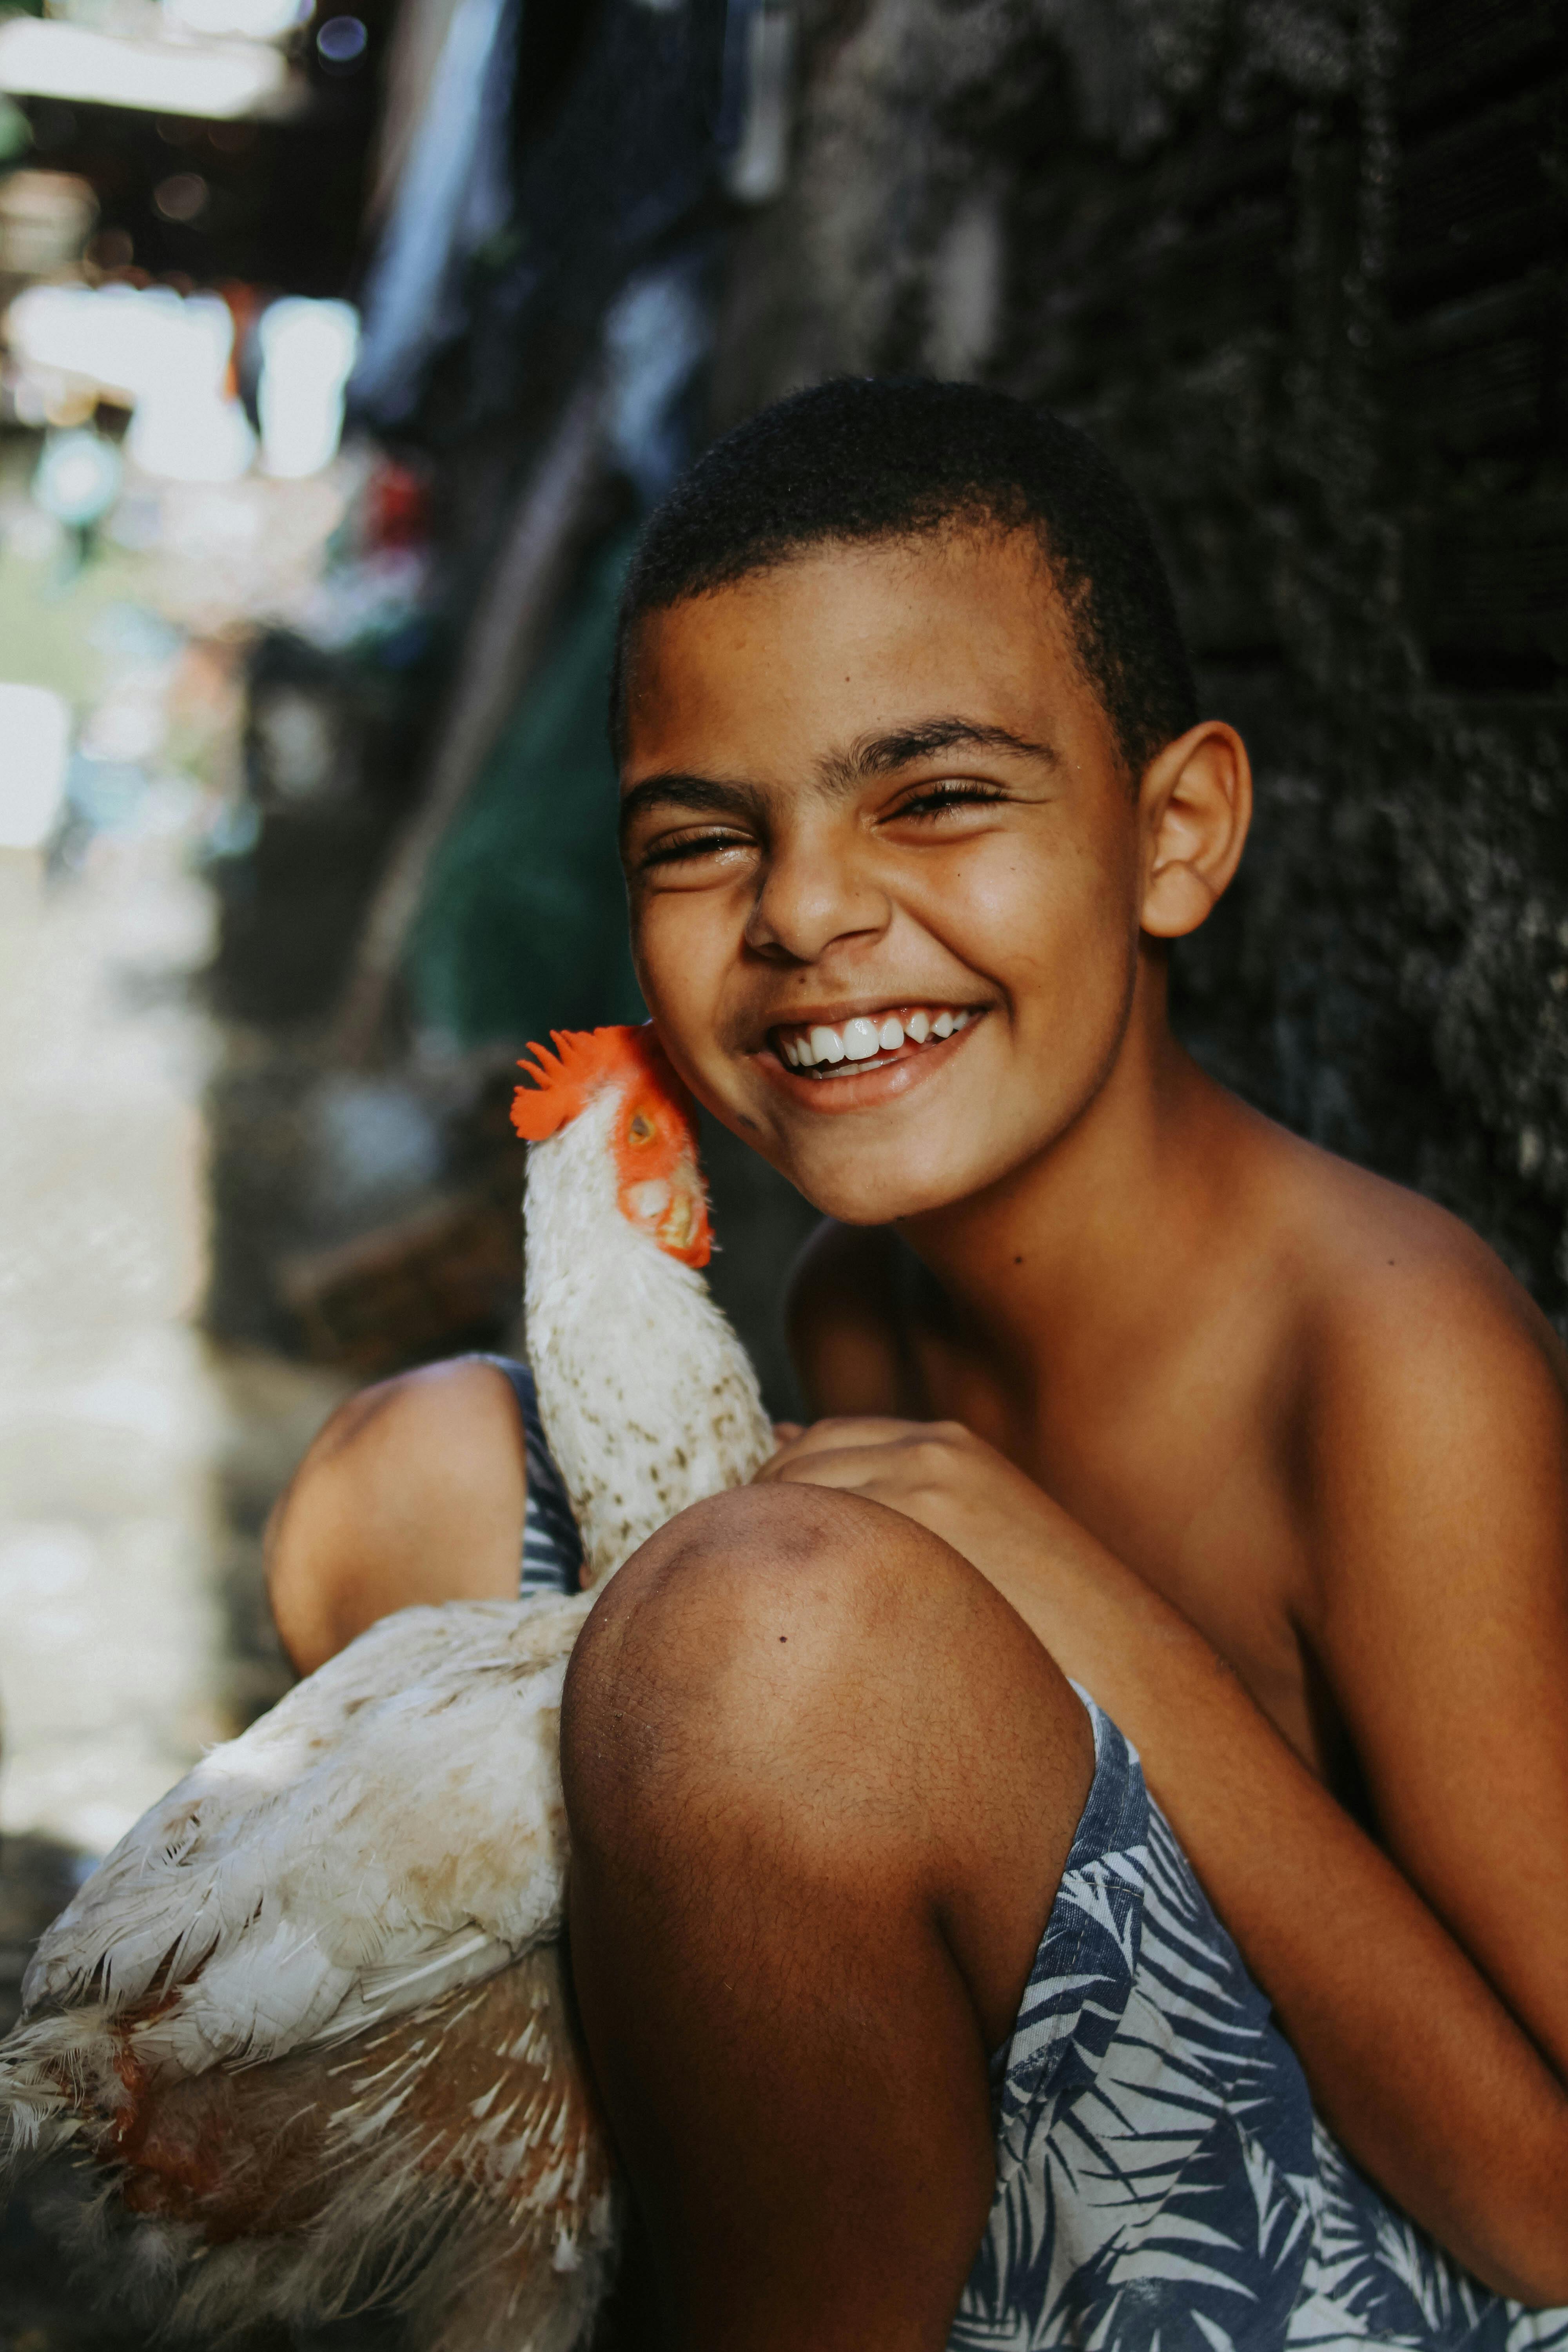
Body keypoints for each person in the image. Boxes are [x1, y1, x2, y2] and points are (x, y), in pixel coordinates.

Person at [267, 379, 1568, 2350]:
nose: (802, 914)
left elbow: (1555, 2216)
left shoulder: (1386, 1352)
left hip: (1384, 2280)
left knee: (766, 1619)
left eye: (937, 798)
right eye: (704, 840)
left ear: (1175, 833)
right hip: (986, 2210)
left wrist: (1084, 1611)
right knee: (418, 1473)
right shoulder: (862, 1310)